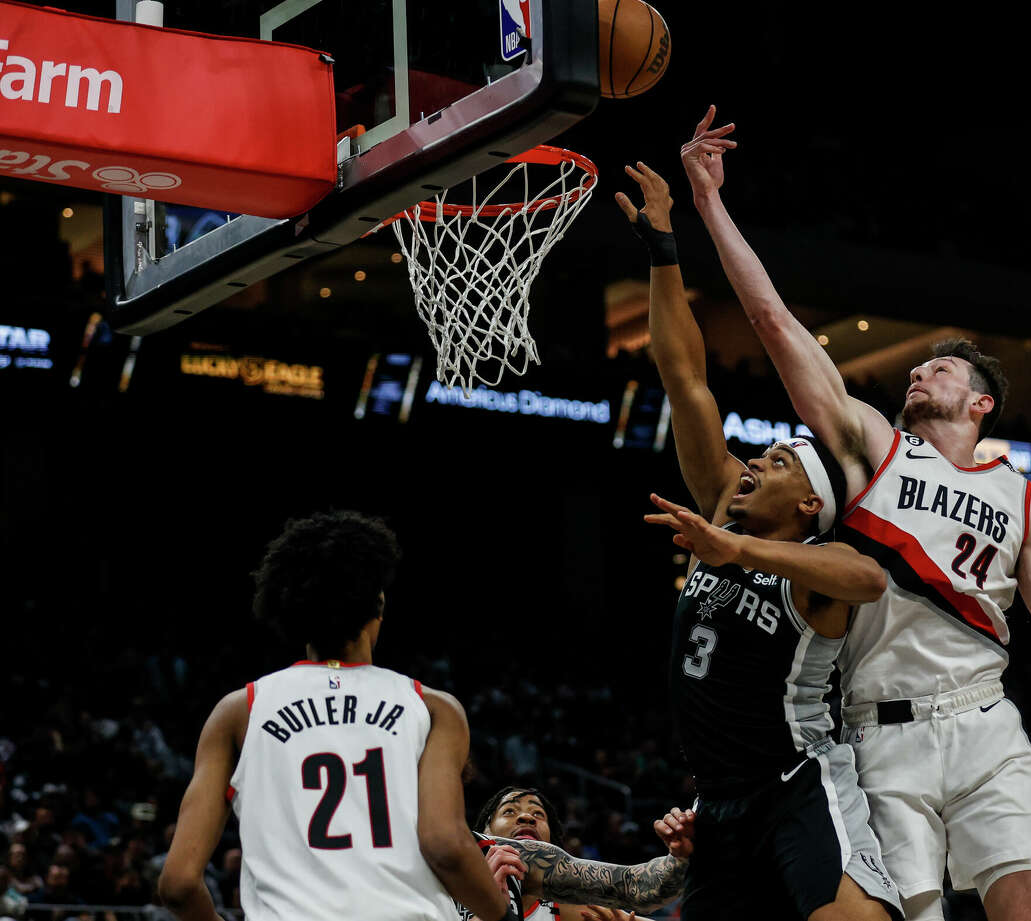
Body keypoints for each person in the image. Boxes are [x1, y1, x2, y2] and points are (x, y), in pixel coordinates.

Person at [677, 105, 1031, 921]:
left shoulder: (1023, 501)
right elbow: (774, 322)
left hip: (982, 720)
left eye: (937, 368)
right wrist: (710, 204)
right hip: (878, 729)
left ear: (979, 403)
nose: (917, 374)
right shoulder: (875, 446)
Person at [616, 160, 902, 920]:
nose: (750, 466)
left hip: (797, 783)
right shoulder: (722, 508)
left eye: (775, 462)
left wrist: (735, 551)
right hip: (718, 802)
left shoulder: (813, 569)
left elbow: (869, 580)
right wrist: (663, 250)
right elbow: (684, 375)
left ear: (810, 501)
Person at [157, 510, 521, 921]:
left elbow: (179, 883)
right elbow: (445, 846)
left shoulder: (238, 711)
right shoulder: (432, 707)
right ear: (378, 605)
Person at [471, 786, 693, 921]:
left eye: (538, 814)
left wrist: (682, 855)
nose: (528, 817)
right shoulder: (447, 858)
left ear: (551, 847)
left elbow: (643, 885)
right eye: (509, 811)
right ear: (485, 831)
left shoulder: (575, 913)